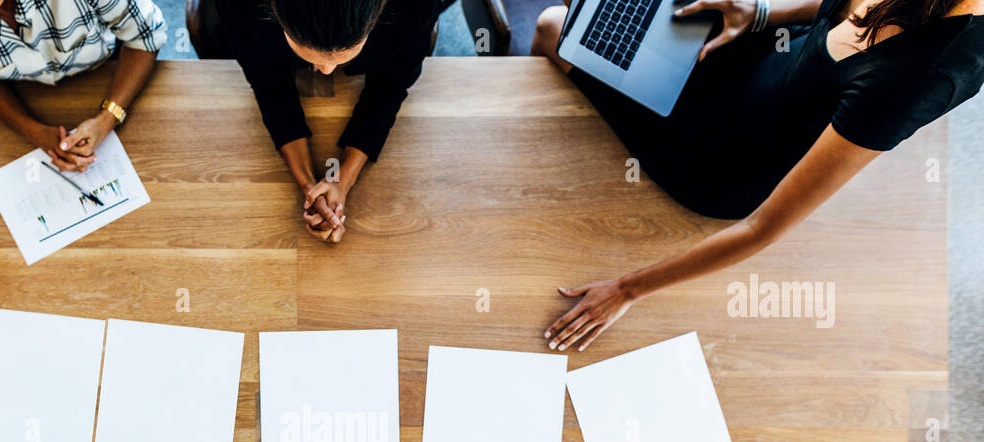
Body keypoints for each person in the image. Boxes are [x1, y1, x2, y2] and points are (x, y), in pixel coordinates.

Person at [532, 0, 984, 351]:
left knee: (554, 27)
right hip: (753, 59)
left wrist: (627, 290)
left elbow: (761, 229)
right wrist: (762, 11)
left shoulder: (922, 78)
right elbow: (834, 11)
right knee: (589, 21)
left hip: (721, 158)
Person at [215, 0, 445, 242]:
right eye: (311, 53)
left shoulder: (416, 7)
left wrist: (343, 180)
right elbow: (268, 83)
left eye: (342, 56)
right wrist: (307, 185)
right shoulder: (241, 7)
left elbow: (391, 84)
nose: (327, 71)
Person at [0, 0, 166, 170]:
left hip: (108, 73)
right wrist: (31, 129)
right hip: (16, 92)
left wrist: (109, 116)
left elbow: (145, 34)